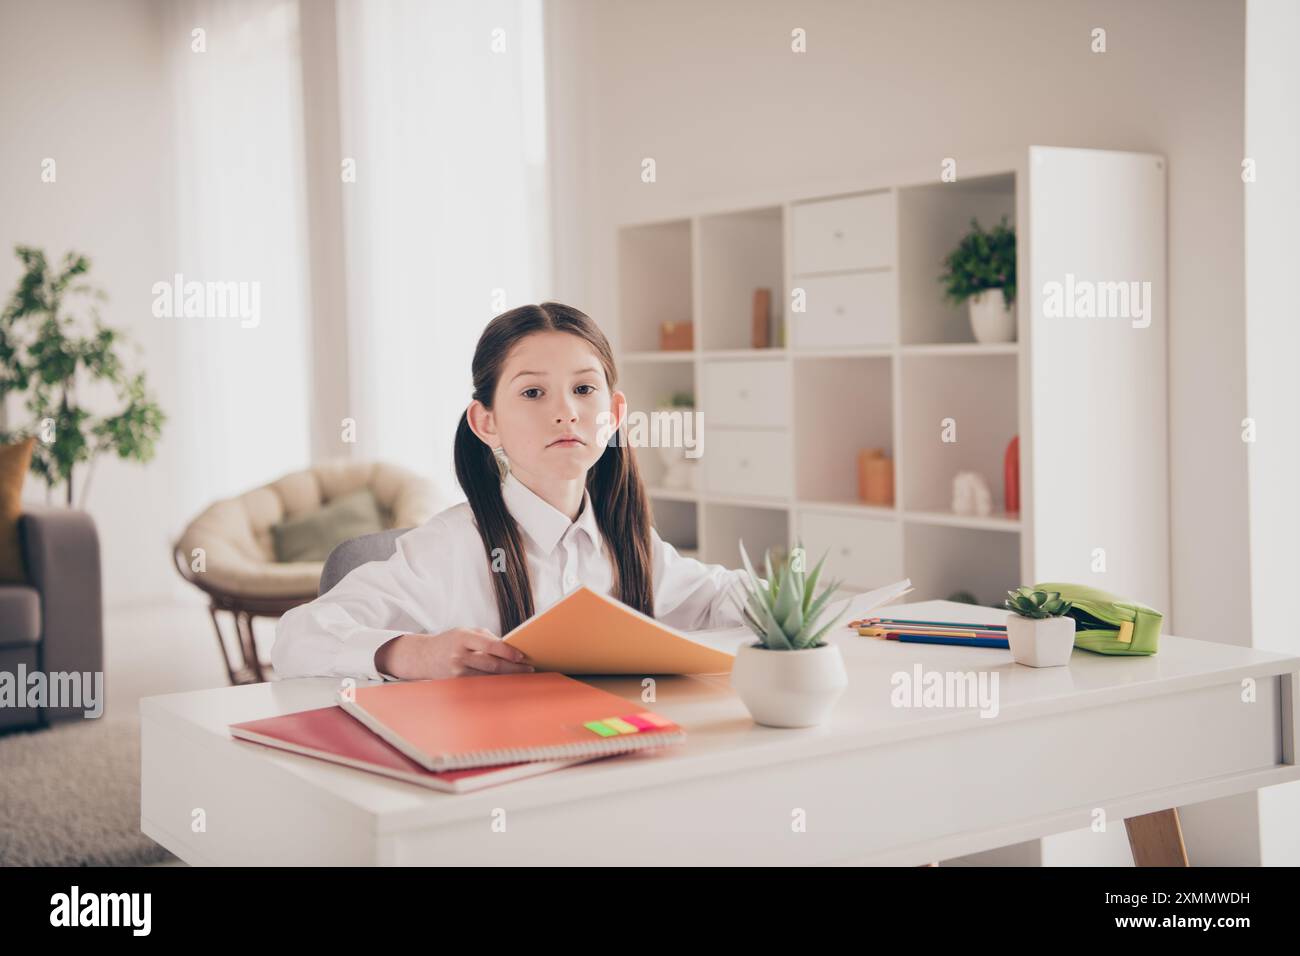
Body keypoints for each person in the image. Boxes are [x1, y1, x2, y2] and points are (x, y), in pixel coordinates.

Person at [271, 302, 758, 682]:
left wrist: (813, 611)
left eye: (584, 390)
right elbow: (298, 637)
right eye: (532, 393)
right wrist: (414, 653)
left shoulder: (628, 541)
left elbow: (719, 597)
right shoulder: (449, 549)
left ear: (614, 411)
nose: (566, 412)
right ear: (486, 422)